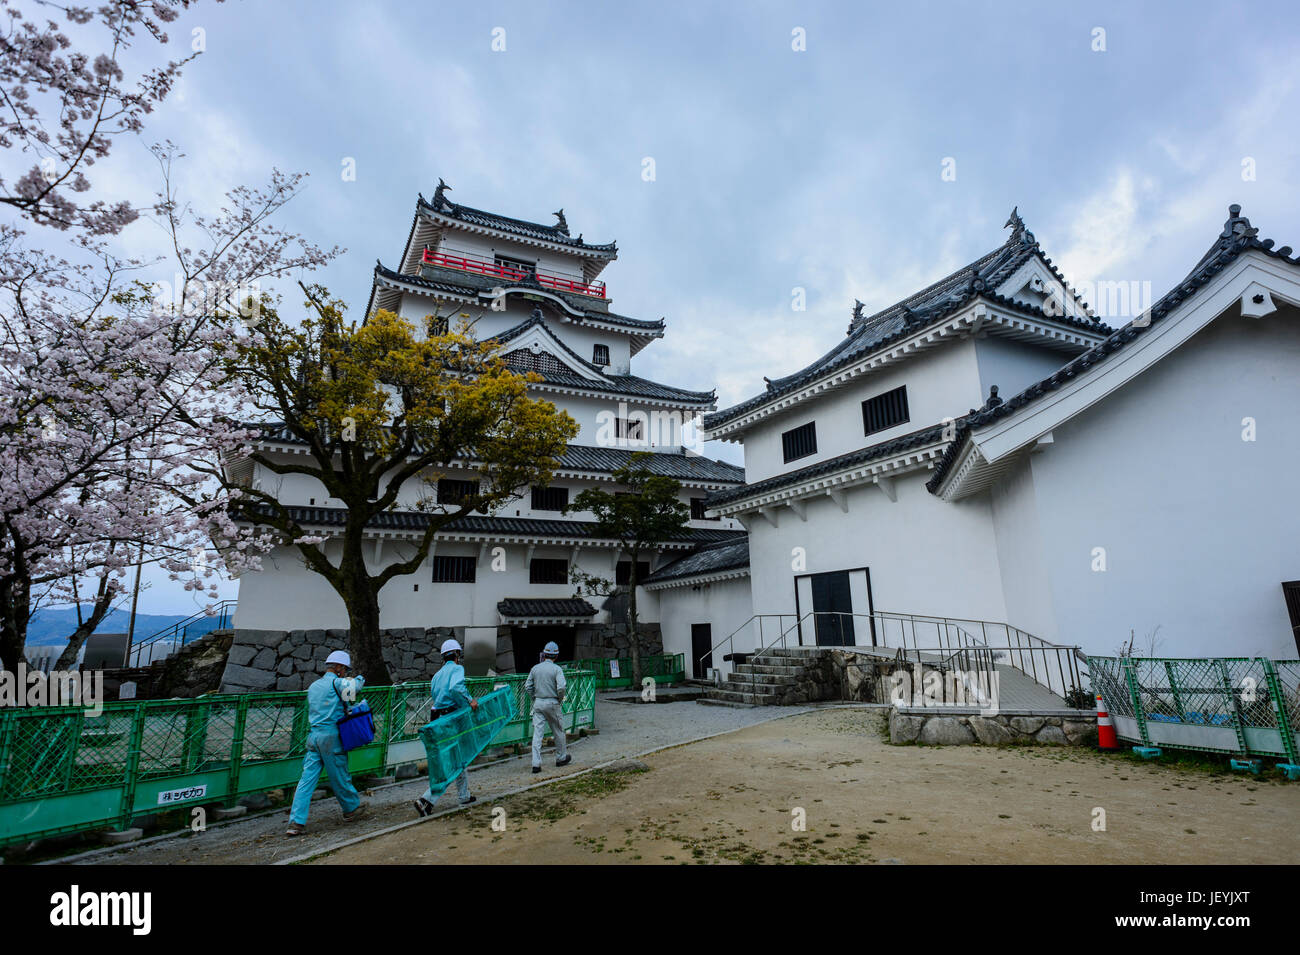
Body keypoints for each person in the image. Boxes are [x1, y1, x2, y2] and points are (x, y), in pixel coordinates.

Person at [286, 650, 368, 837]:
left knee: (306, 781)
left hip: (313, 736)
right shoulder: (337, 683)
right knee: (340, 775)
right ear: (338, 668)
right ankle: (351, 809)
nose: (345, 672)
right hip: (331, 737)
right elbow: (356, 687)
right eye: (345, 669)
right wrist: (359, 677)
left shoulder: (314, 686)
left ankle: (295, 822)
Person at [413, 638, 479, 817]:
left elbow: (435, 697)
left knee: (457, 759)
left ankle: (463, 795)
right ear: (457, 655)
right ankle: (426, 799)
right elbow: (457, 687)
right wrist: (470, 700)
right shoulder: (457, 669)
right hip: (453, 719)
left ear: (443, 657)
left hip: (440, 719)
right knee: (455, 761)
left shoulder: (436, 676)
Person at [525, 641, 571, 774]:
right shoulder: (557, 669)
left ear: (544, 654)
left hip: (538, 703)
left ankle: (536, 763)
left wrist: (534, 697)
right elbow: (561, 687)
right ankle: (561, 757)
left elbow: (527, 686)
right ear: (556, 656)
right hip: (552, 702)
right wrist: (559, 699)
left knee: (537, 734)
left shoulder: (535, 668)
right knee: (558, 730)